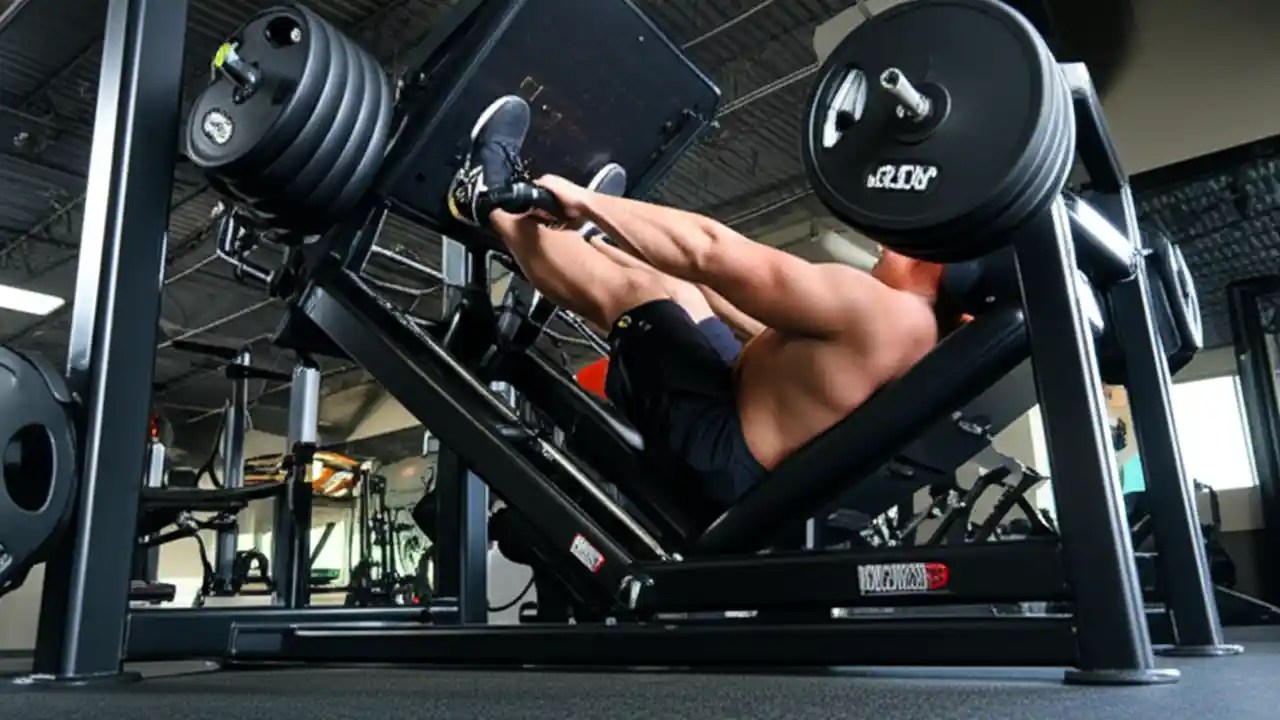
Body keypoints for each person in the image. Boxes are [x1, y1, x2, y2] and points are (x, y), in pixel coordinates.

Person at [447, 95, 950, 505]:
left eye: (908, 245)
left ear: (940, 264)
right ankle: (584, 251)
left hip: (716, 452)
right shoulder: (918, 337)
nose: (887, 244)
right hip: (740, 422)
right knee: (681, 292)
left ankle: (484, 198)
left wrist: (588, 201)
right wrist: (651, 253)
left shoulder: (888, 314)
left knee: (638, 297)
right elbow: (754, 317)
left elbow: (709, 250)